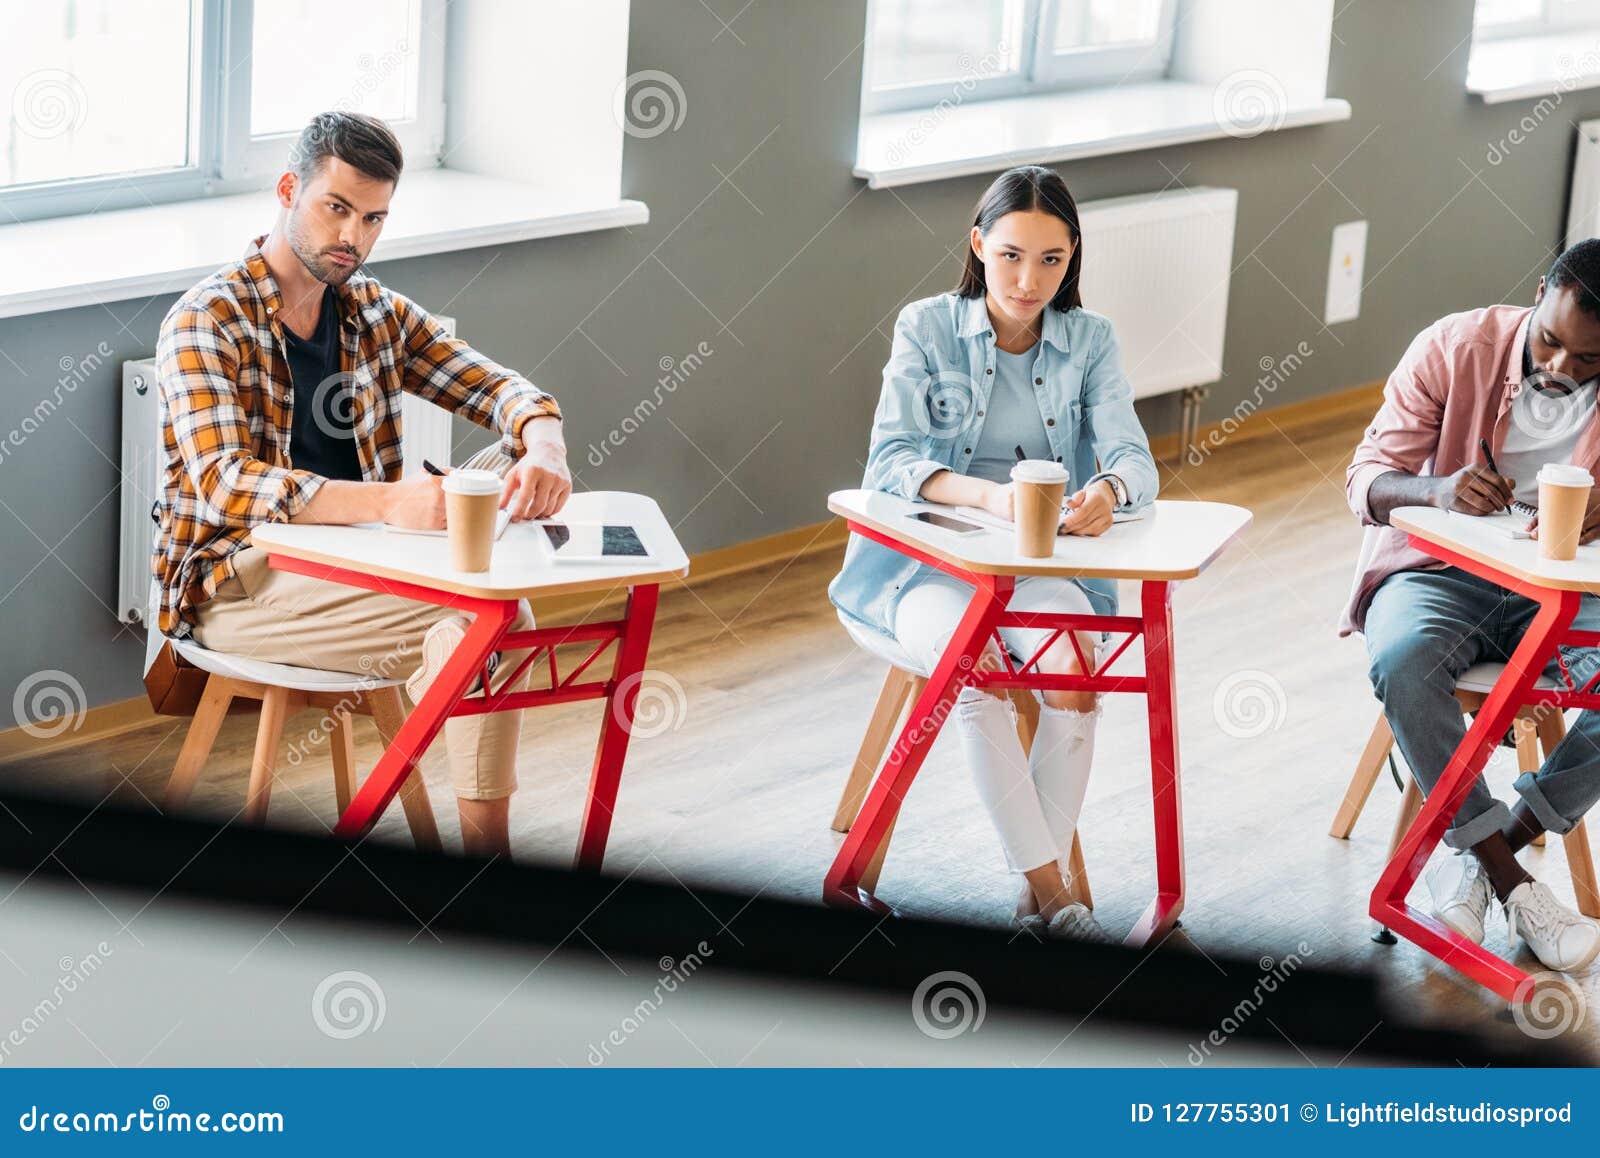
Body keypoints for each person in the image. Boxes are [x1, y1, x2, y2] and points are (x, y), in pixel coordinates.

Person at [154, 112, 572, 858]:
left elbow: (497, 387)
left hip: (365, 556)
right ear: (289, 191)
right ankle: (490, 872)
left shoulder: (373, 311)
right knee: (490, 620)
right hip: (239, 579)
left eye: (374, 218)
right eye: (337, 208)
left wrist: (547, 445)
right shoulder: (206, 320)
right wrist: (392, 502)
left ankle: (481, 866)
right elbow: (225, 483)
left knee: (506, 475)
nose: (353, 236)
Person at [828, 166, 1158, 939]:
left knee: (1076, 671)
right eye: (1010, 255)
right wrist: (990, 497)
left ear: (1072, 257)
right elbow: (891, 461)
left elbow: (1136, 463)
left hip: (1040, 564)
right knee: (976, 670)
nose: (1029, 280)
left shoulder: (1090, 340)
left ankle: (1036, 896)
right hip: (926, 565)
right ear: (978, 245)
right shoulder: (927, 327)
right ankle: (1052, 896)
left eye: (1051, 259)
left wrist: (1108, 489)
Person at [1344, 239, 1600, 972]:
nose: (1562, 367)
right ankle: (1516, 883)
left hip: (1563, 590)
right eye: (1551, 341)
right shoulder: (1456, 347)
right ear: (1540, 292)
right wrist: (1436, 489)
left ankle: (1483, 857)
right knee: (1403, 661)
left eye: (1589, 359)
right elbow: (1365, 480)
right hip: (1437, 574)